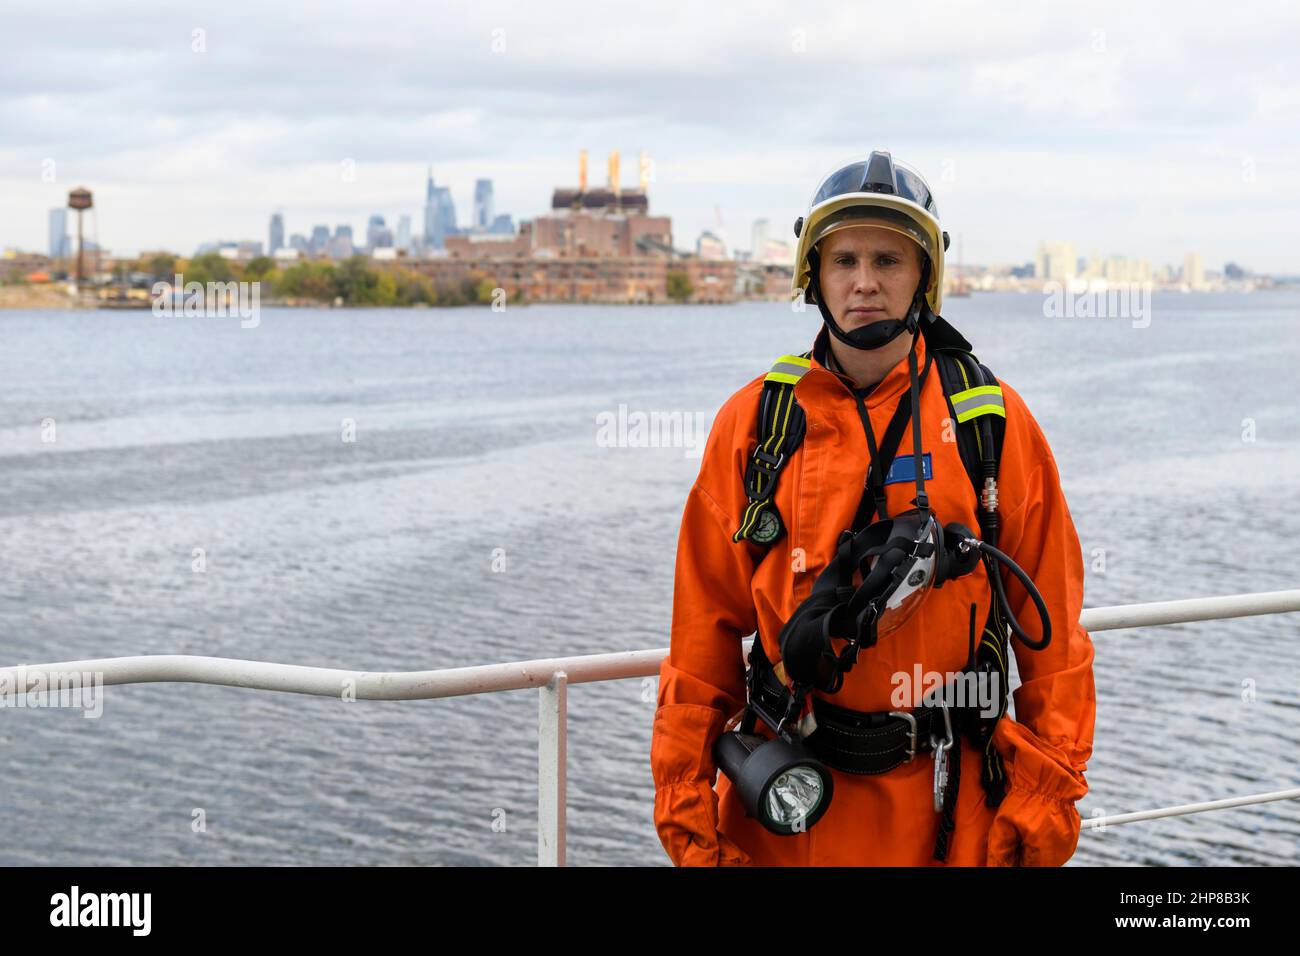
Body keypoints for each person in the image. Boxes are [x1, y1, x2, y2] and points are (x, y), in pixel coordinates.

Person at [649, 150, 1096, 866]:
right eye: (845, 260)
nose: (865, 282)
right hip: (787, 811)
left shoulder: (991, 423)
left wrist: (1042, 804)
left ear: (924, 278)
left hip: (952, 810)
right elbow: (701, 640)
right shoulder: (756, 425)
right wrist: (687, 810)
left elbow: (1054, 645)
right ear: (813, 277)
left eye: (889, 261)